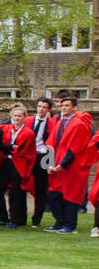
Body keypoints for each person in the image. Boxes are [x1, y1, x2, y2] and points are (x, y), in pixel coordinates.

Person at [44, 90, 95, 234]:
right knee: (54, 195)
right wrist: (48, 164)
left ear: (74, 108)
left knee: (70, 197)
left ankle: (70, 226)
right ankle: (59, 222)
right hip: (57, 166)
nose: (63, 108)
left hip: (71, 166)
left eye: (67, 105)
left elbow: (75, 148)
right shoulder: (60, 123)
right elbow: (51, 143)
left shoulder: (78, 124)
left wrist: (62, 165)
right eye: (62, 105)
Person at [0, 104, 35, 228]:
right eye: (15, 115)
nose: (17, 118)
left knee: (16, 192)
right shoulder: (4, 128)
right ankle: (3, 217)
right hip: (5, 162)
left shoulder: (28, 133)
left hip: (19, 164)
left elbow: (21, 150)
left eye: (20, 116)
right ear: (11, 116)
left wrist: (6, 148)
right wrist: (10, 147)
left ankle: (14, 219)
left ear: (24, 118)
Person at [28, 98, 55, 228]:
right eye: (39, 106)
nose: (41, 109)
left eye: (44, 107)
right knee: (19, 186)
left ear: (48, 109)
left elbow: (54, 143)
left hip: (43, 157)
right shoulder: (28, 121)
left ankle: (36, 219)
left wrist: (51, 161)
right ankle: (17, 217)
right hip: (28, 156)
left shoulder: (52, 124)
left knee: (40, 189)